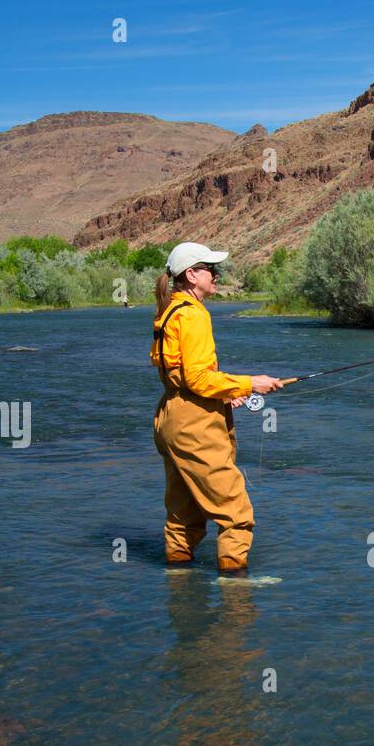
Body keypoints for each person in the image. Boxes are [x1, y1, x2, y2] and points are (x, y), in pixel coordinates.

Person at [150, 241, 283, 575]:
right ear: (191, 275)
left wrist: (223, 394)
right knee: (236, 512)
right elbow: (197, 377)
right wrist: (249, 383)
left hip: (170, 418)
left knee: (184, 514)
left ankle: (179, 587)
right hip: (195, 425)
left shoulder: (170, 312)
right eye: (210, 269)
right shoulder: (194, 315)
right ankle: (235, 585)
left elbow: (180, 374)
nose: (216, 274)